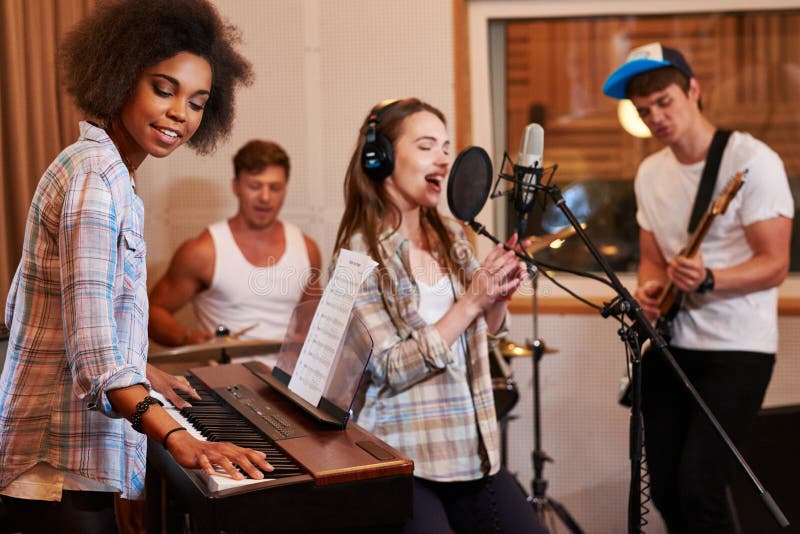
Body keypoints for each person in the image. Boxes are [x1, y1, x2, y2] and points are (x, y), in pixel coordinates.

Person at [0, 1, 273, 532]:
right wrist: (182, 439)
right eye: (163, 89)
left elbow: (62, 319)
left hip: (64, 464)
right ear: (120, 77)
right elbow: (94, 359)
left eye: (197, 102)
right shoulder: (94, 182)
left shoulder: (110, 175)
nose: (180, 114)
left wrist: (144, 370)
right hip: (54, 469)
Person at [603, 42, 793, 533]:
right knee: (663, 487)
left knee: (700, 486)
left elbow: (774, 264)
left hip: (738, 349)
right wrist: (649, 288)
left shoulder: (752, 160)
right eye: (644, 111)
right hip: (673, 344)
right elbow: (652, 260)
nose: (656, 117)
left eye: (664, 101)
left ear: (693, 89)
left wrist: (712, 278)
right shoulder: (650, 172)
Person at [333, 98, 545, 533]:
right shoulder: (358, 252)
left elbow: (483, 332)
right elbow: (390, 367)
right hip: (403, 454)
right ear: (382, 158)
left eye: (446, 147)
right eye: (428, 146)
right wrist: (470, 302)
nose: (445, 159)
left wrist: (496, 297)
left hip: (472, 448)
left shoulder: (450, 232)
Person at [148, 139, 322, 348]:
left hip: (288, 379)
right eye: (255, 186)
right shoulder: (203, 252)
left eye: (275, 187)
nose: (265, 197)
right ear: (236, 186)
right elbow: (152, 312)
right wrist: (188, 338)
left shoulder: (307, 249)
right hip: (225, 378)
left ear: (285, 189)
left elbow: (314, 317)